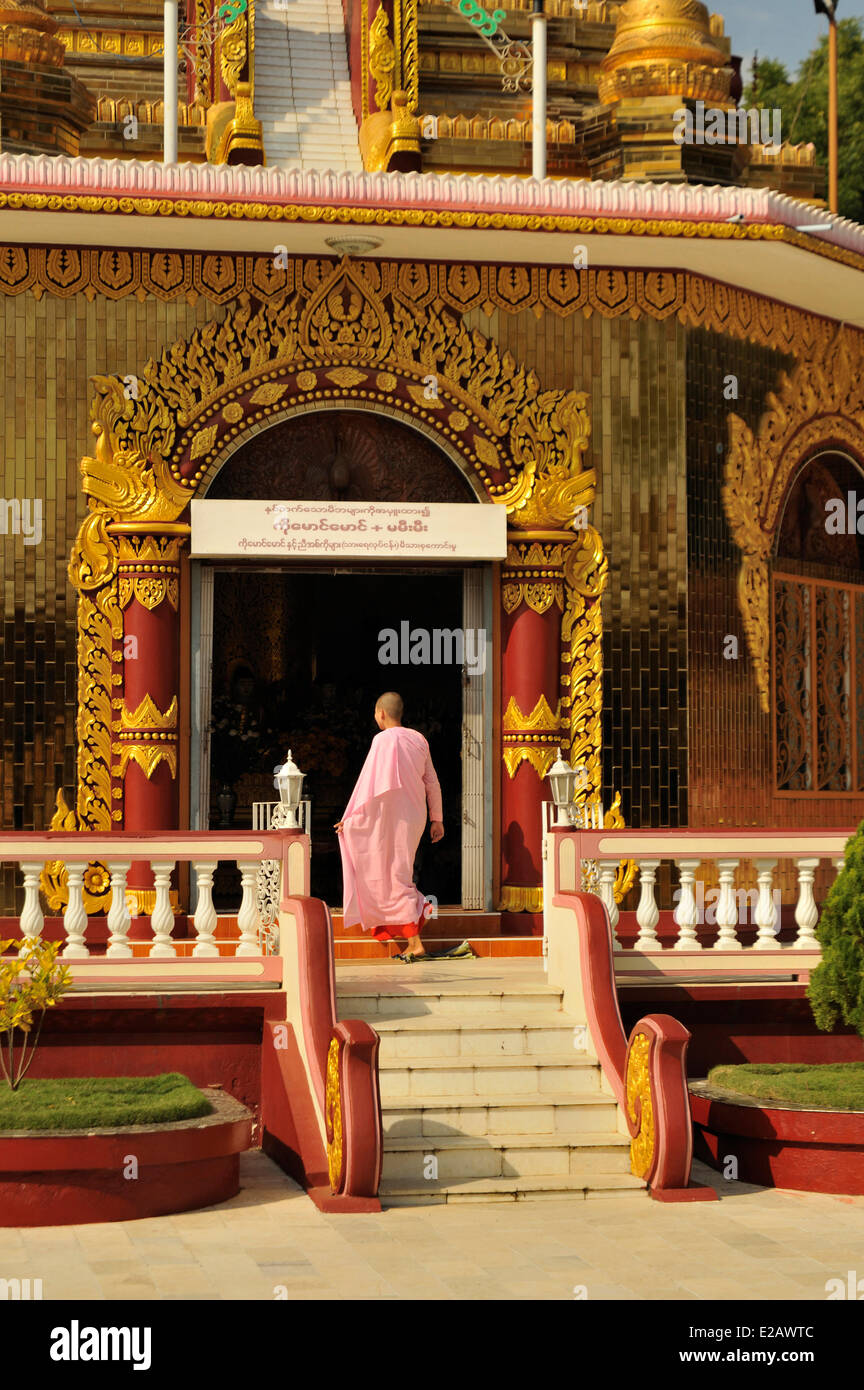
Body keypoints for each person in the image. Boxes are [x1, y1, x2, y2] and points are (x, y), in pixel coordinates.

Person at [335, 692, 444, 960]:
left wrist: (349, 819)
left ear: (381, 713)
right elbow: (432, 781)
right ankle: (421, 912)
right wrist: (436, 818)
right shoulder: (419, 739)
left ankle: (416, 940)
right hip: (414, 816)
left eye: (375, 713)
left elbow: (367, 785)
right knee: (399, 872)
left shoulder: (381, 740)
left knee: (392, 876)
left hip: (387, 816)